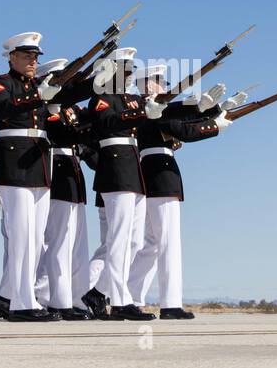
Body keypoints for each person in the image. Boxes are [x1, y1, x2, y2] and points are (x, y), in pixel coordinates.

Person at [0, 32, 92, 322]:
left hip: (40, 163)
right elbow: (2, 113)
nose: (33, 61)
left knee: (34, 238)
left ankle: (22, 298)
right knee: (22, 237)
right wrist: (37, 96)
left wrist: (97, 78)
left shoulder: (38, 86)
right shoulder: (1, 84)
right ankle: (21, 304)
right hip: (15, 162)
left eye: (35, 57)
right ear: (12, 57)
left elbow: (70, 94)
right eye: (27, 56)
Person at [125, 66, 233, 319]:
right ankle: (170, 304)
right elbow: (184, 130)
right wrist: (214, 126)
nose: (163, 86)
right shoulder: (152, 110)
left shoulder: (146, 110)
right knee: (168, 242)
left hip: (152, 173)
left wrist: (216, 109)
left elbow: (186, 119)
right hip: (161, 175)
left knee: (152, 244)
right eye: (159, 81)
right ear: (146, 84)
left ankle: (129, 296)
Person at [83, 47, 157, 321]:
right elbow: (107, 121)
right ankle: (120, 300)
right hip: (114, 167)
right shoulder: (101, 97)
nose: (128, 76)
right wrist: (140, 113)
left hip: (132, 167)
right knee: (119, 238)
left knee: (135, 241)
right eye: (124, 71)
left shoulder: (133, 98)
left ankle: (97, 293)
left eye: (130, 71)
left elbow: (154, 111)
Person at [32, 58, 95, 320]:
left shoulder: (72, 109)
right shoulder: (46, 107)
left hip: (73, 173)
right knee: (58, 241)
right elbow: (64, 135)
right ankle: (55, 299)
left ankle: (77, 298)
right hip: (57, 168)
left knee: (77, 244)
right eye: (64, 78)